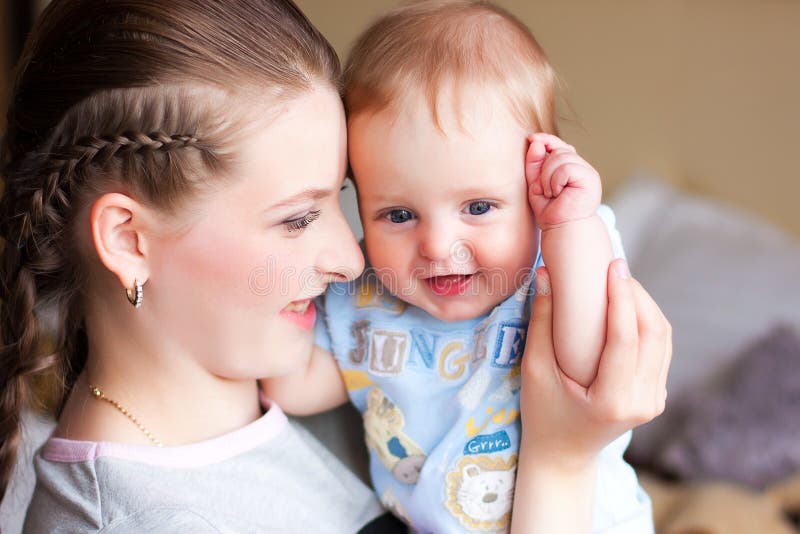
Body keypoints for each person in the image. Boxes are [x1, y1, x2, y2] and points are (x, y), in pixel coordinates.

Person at [0, 0, 670, 532]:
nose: (353, 262)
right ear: (129, 239)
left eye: (337, 202)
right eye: (297, 218)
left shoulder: (291, 383)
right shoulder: (138, 518)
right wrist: (561, 460)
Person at [261, 2, 660, 532]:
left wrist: (569, 222)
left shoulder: (559, 257)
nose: (437, 244)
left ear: (535, 186)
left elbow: (589, 360)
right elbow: (299, 387)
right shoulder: (365, 295)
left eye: (478, 207)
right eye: (398, 214)